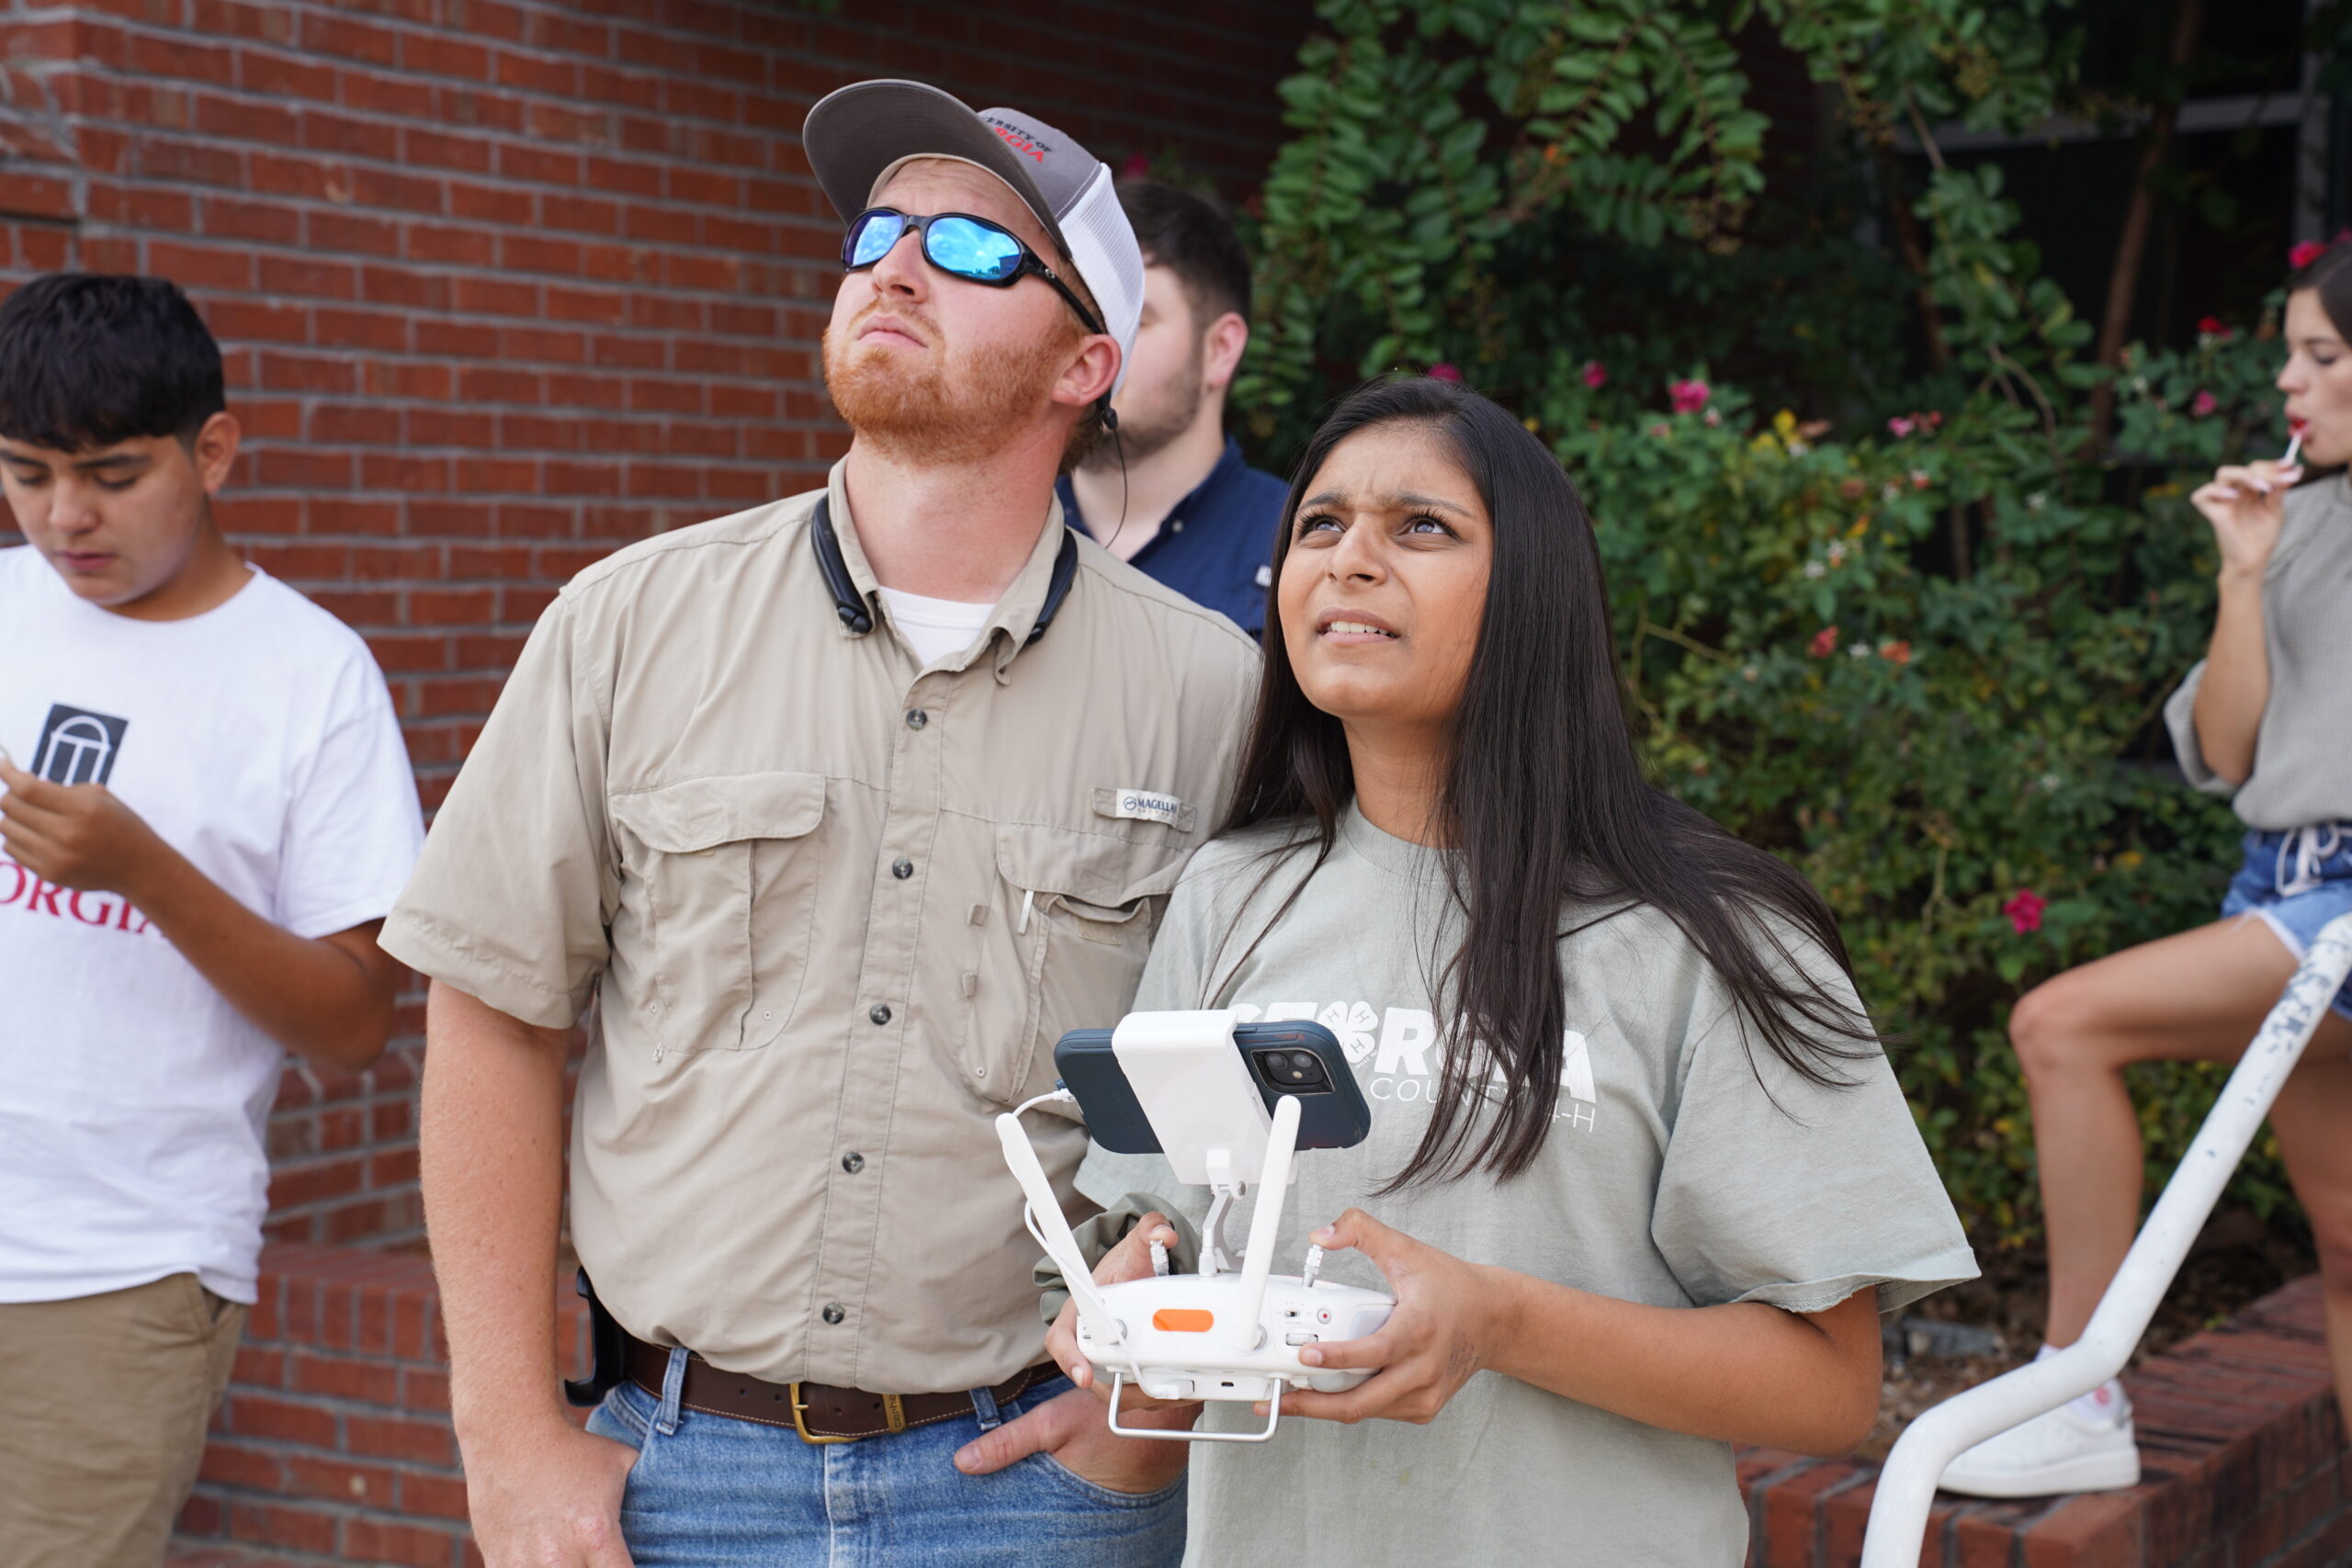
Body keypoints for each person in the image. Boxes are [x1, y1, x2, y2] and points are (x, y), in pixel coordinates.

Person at [381, 81, 1258, 1567]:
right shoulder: (626, 622)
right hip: (675, 1476)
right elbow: (494, 1021)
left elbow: (1239, 1094)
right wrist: (508, 1432)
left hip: (1034, 1481)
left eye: (978, 252)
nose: (899, 266)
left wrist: (1145, 1407)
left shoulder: (1213, 692)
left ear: (1085, 362)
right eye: (878, 230)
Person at [958, 375, 1976, 1566]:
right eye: (1320, 524)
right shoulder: (1229, 891)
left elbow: (1829, 1386)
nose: (1349, 558)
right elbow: (1173, 1220)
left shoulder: (1708, 934)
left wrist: (1500, 1320)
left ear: (1532, 593)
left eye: (1421, 525)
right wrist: (1139, 1278)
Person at [0, 273, 423, 1567]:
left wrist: (145, 870)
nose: (64, 516)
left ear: (215, 450)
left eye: (113, 476)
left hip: (113, 1269)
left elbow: (356, 1024)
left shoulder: (309, 676)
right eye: (24, 473)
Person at [1940, 245, 2352, 1499]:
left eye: (2322, 355)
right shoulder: (2292, 515)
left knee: (2059, 1023)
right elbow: (2225, 748)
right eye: (2290, 350)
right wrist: (2243, 569)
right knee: (2345, 1247)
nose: (2286, 377)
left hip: (2342, 905)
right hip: (2278, 889)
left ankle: (2078, 1384)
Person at [1058, 180, 1287, 637]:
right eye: (1078, 315)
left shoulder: (1299, 550)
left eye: (1133, 321)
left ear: (1220, 349)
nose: (1091, 346)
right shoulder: (996, 529)